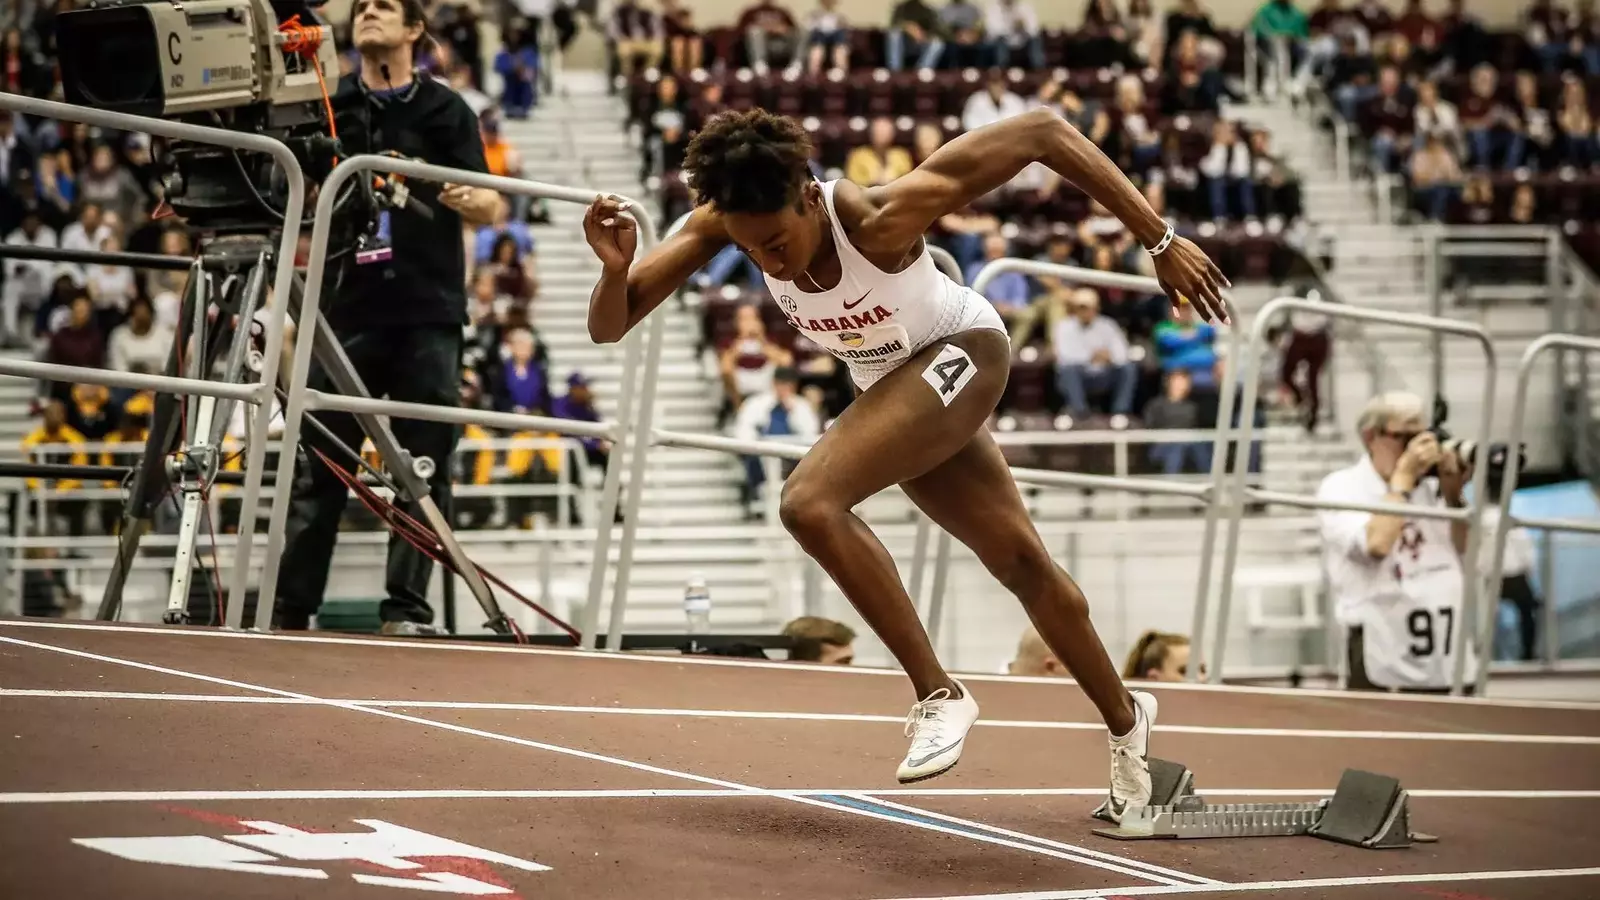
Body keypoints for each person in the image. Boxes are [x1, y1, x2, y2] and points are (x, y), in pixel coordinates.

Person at [582, 105, 1229, 819]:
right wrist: (616, 272)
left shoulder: (876, 217)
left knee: (807, 501)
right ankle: (1129, 722)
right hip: (896, 386)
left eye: (776, 243)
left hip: (964, 350)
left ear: (807, 197)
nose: (768, 262)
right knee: (1019, 561)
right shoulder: (723, 222)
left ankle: (938, 693)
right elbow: (611, 327)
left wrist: (1159, 238)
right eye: (750, 252)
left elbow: (1044, 132)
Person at [275, 0, 501, 636]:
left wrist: (465, 194)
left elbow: (489, 204)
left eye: (385, 7)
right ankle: (293, 610)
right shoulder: (327, 101)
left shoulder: (445, 109)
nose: (369, 14)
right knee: (320, 463)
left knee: (425, 466)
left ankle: (407, 610)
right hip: (343, 305)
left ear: (414, 30)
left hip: (427, 310)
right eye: (362, 7)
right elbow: (283, 184)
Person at [1315, 391, 1478, 694]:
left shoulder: (1432, 487)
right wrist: (1401, 480)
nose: (1415, 451)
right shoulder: (1341, 487)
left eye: (1422, 438)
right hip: (1383, 652)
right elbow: (1375, 546)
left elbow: (1466, 552)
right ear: (1370, 437)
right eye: (1404, 438)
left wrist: (1454, 495)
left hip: (1446, 649)